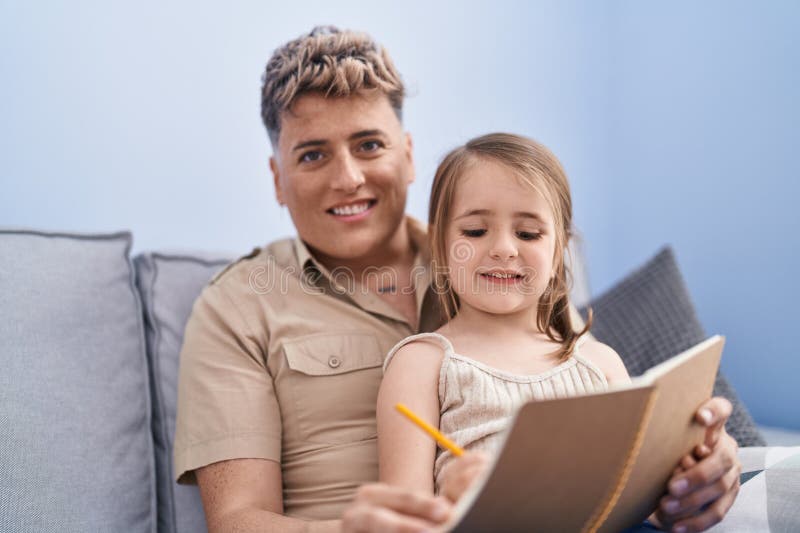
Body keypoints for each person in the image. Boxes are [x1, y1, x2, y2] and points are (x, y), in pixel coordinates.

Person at [173, 26, 741, 533]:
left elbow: (605, 439)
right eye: (313, 155)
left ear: (408, 153)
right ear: (277, 178)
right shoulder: (238, 304)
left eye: (369, 145)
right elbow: (237, 521)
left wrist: (687, 480)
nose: (348, 178)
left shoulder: (503, 268)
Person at [377, 133, 729, 531]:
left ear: (560, 246)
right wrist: (457, 501)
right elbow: (402, 520)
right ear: (441, 243)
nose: (504, 249)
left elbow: (646, 502)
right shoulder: (421, 363)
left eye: (528, 234)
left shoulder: (600, 362)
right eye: (475, 231)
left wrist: (690, 459)